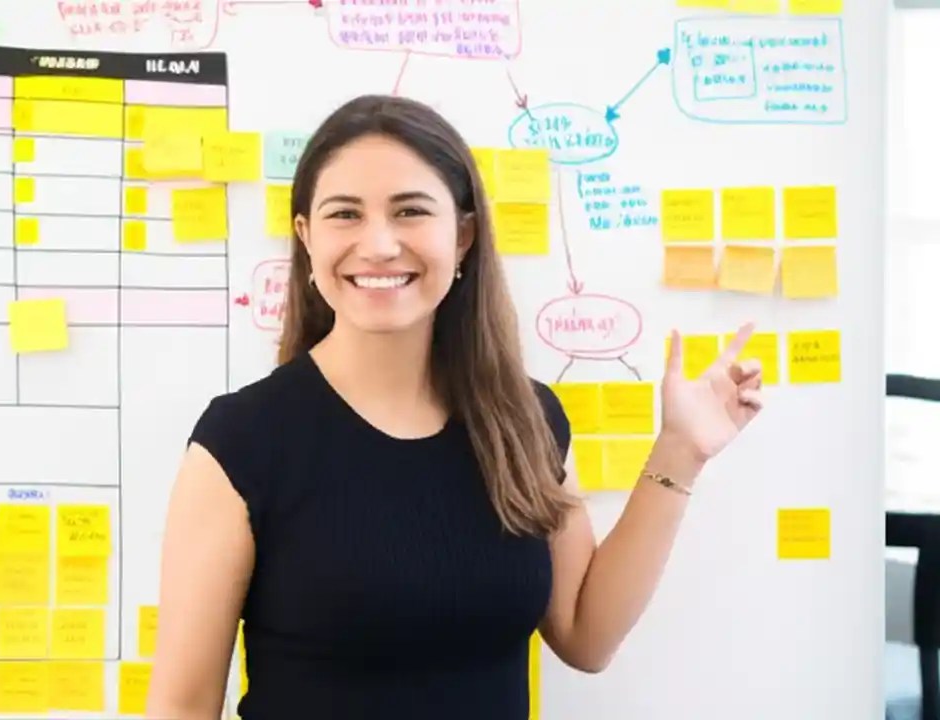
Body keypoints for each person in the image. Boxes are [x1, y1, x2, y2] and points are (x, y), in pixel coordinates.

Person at [145, 94, 764, 720]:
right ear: (306, 238)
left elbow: (586, 634)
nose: (379, 244)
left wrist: (680, 452)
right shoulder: (243, 442)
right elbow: (183, 705)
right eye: (345, 214)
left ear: (463, 235)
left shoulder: (527, 421)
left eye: (411, 210)